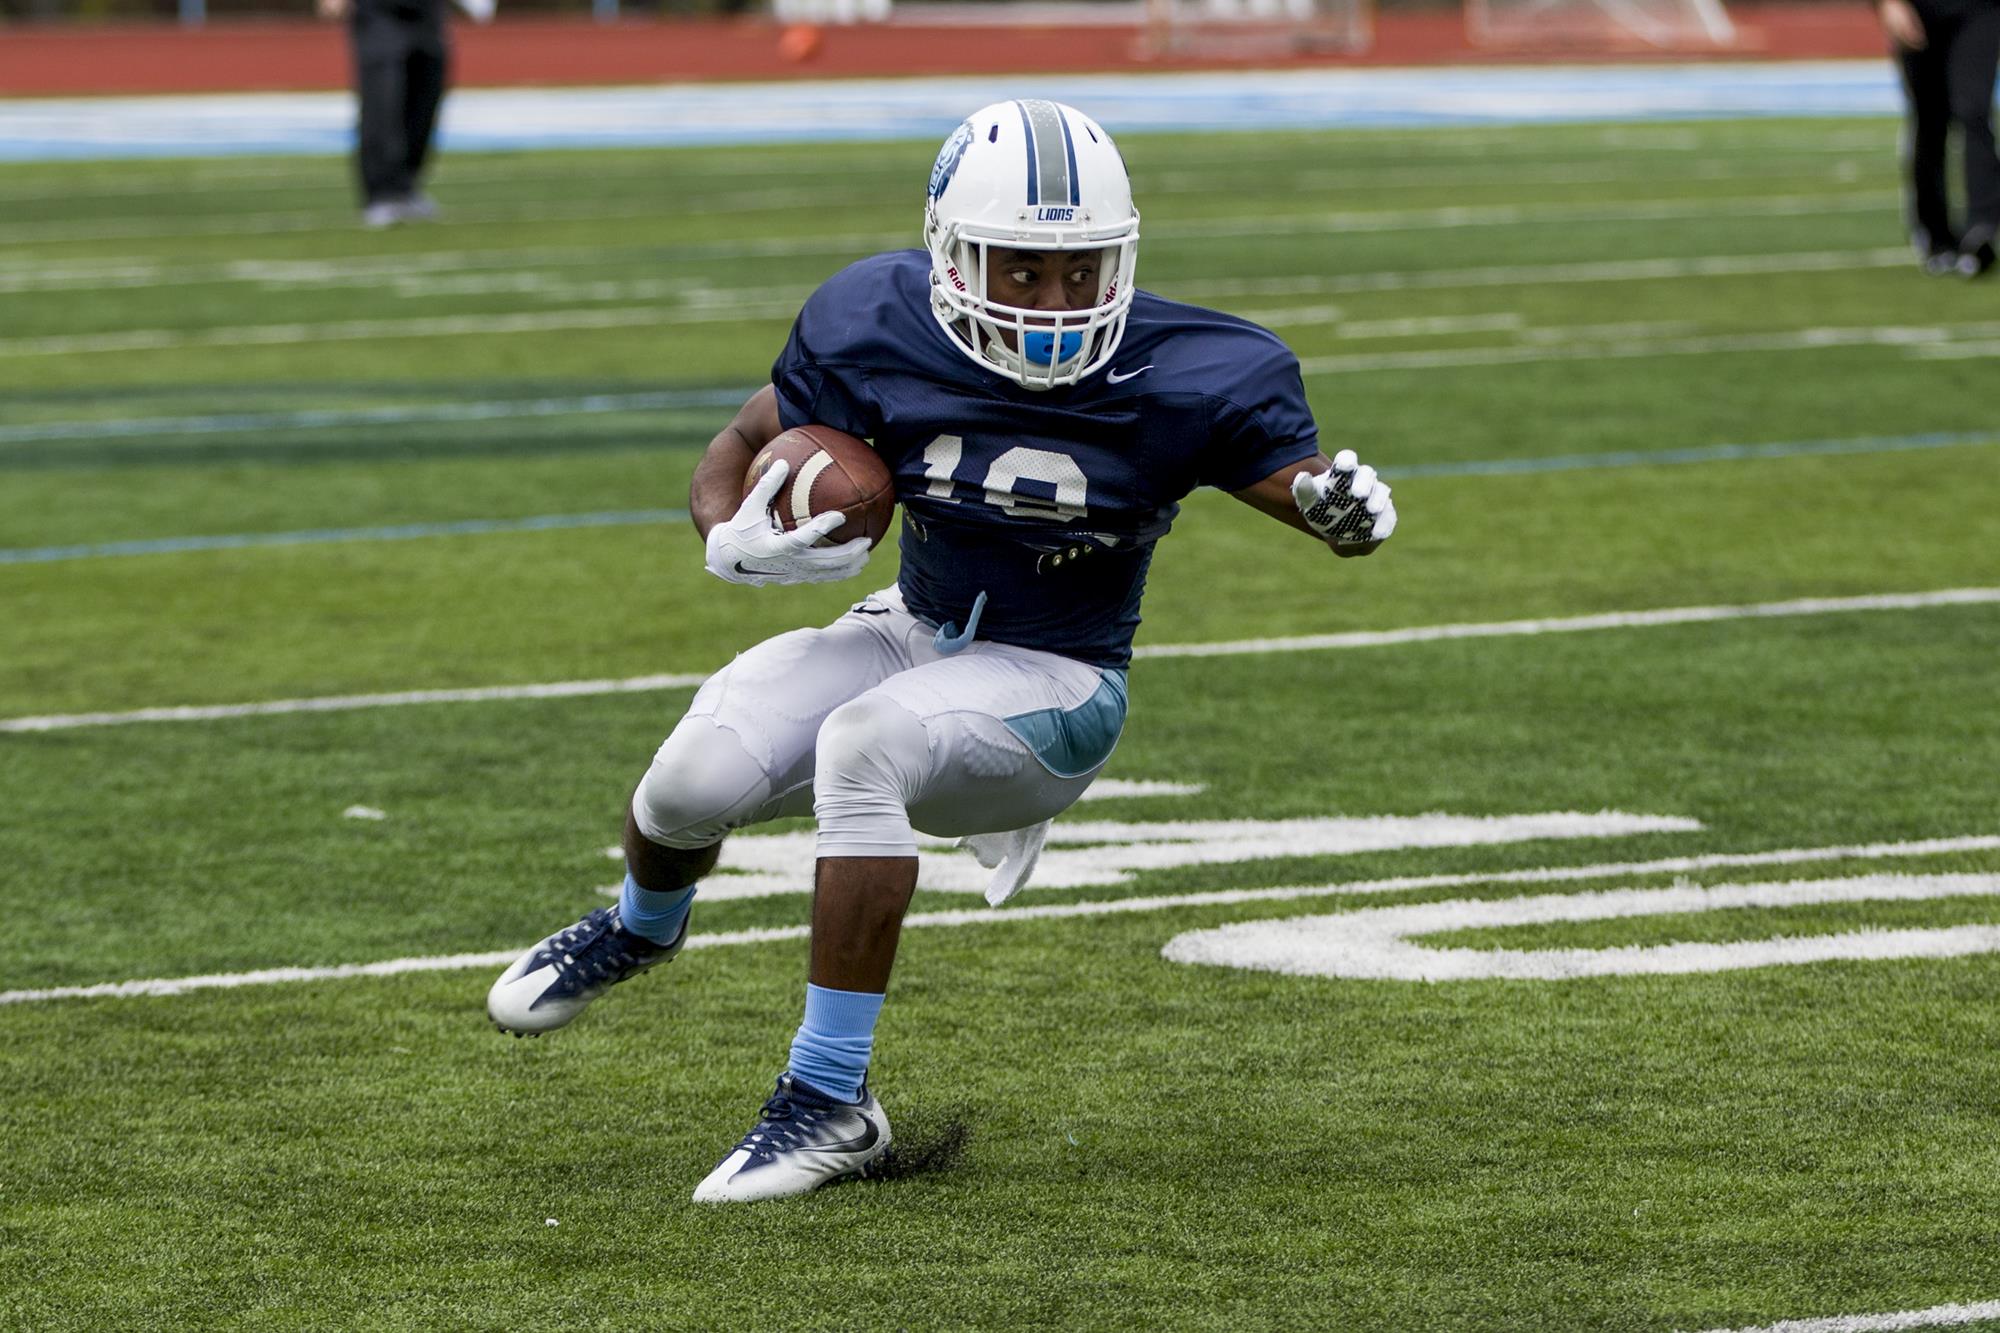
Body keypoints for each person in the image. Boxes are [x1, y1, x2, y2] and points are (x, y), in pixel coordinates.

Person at [485, 99, 1398, 1204]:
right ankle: (637, 928)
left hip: (1059, 681)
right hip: (914, 630)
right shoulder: (874, 322)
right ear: (951, 254)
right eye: (1020, 268)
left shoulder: (1196, 366)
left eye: (1079, 269)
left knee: (863, 744)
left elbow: (1295, 486)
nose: (1054, 300)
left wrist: (1334, 509)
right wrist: (724, 535)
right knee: (691, 777)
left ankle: (830, 1101)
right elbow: (741, 439)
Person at [1878, 0, 1999, 276]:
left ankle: (1981, 230)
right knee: (1929, 118)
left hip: (1979, 9)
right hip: (1920, 8)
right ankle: (1935, 235)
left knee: (1974, 110)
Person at [317, 0, 450, 228]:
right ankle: (381, 193)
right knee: (382, 96)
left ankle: (405, 186)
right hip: (379, 10)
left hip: (427, 9)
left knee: (425, 92)